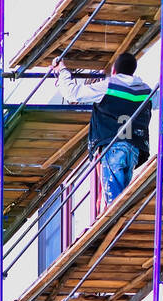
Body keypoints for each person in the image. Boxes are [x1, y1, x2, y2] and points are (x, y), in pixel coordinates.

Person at [52, 51, 154, 208]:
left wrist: (63, 72)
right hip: (134, 148)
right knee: (122, 198)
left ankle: (115, 226)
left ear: (114, 71)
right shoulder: (145, 91)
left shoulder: (109, 86)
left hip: (112, 146)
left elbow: (73, 94)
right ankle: (117, 224)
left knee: (115, 203)